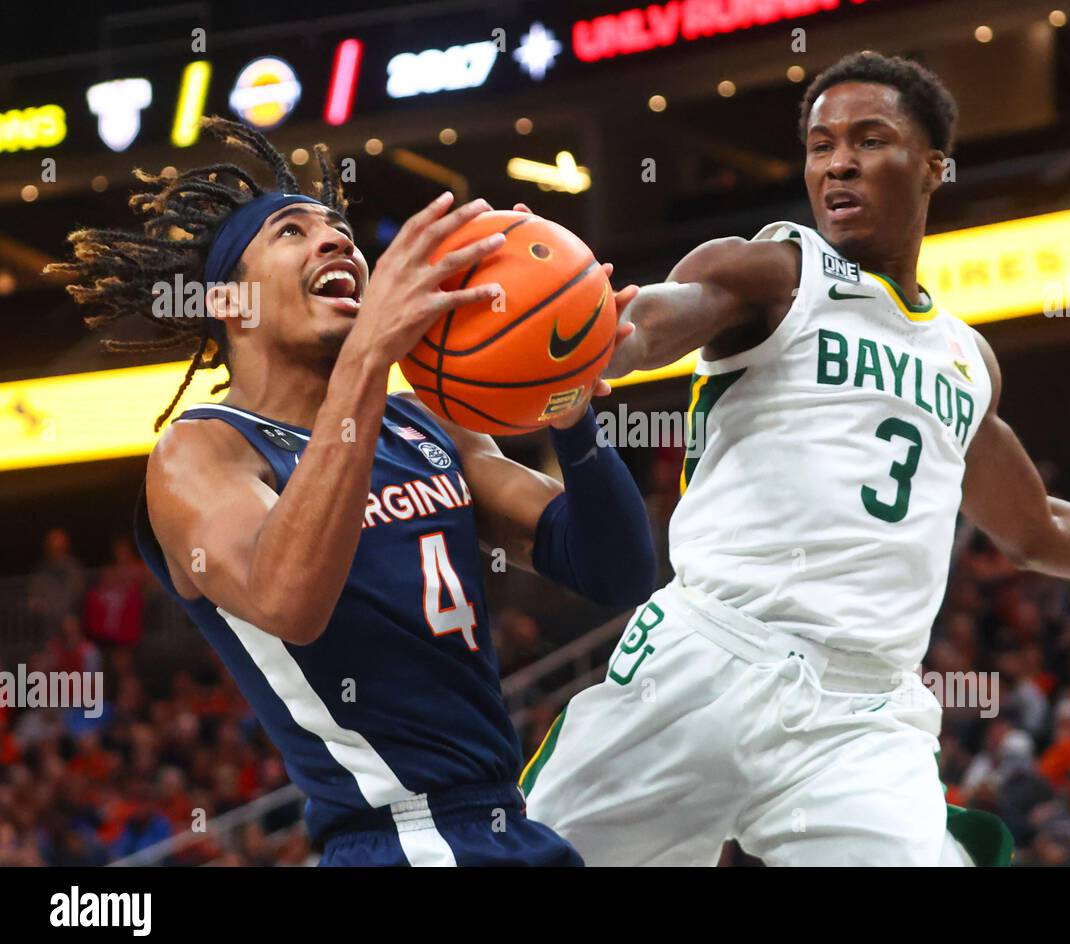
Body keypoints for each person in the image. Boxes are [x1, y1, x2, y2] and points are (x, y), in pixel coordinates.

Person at [522, 51, 1070, 866]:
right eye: (820, 144)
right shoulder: (776, 272)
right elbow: (661, 322)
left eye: (869, 139)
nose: (837, 161)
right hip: (708, 659)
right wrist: (602, 338)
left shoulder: (965, 359)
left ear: (933, 167)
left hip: (862, 714)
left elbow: (1038, 526)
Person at [46, 116, 656, 866]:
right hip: (396, 839)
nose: (336, 241)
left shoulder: (422, 423)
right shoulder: (201, 451)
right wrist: (370, 360)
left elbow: (614, 568)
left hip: (504, 824)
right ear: (229, 303)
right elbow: (287, 600)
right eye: (291, 233)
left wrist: (568, 404)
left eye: (340, 229)